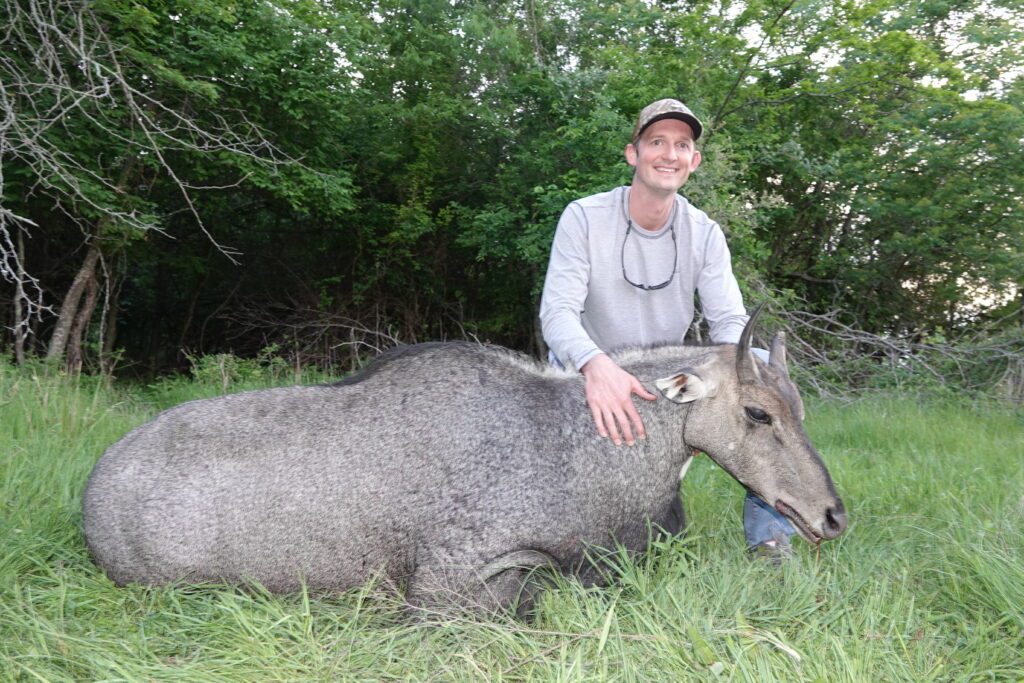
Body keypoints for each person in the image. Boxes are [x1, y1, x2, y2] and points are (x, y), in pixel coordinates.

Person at [538, 98, 795, 559]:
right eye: (657, 141)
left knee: (759, 368)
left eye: (682, 145)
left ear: (693, 162)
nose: (669, 154)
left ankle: (770, 538)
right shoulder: (584, 216)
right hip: (587, 370)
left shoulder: (705, 232)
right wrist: (596, 367)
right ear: (633, 154)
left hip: (661, 380)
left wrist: (727, 388)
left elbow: (730, 324)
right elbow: (557, 313)